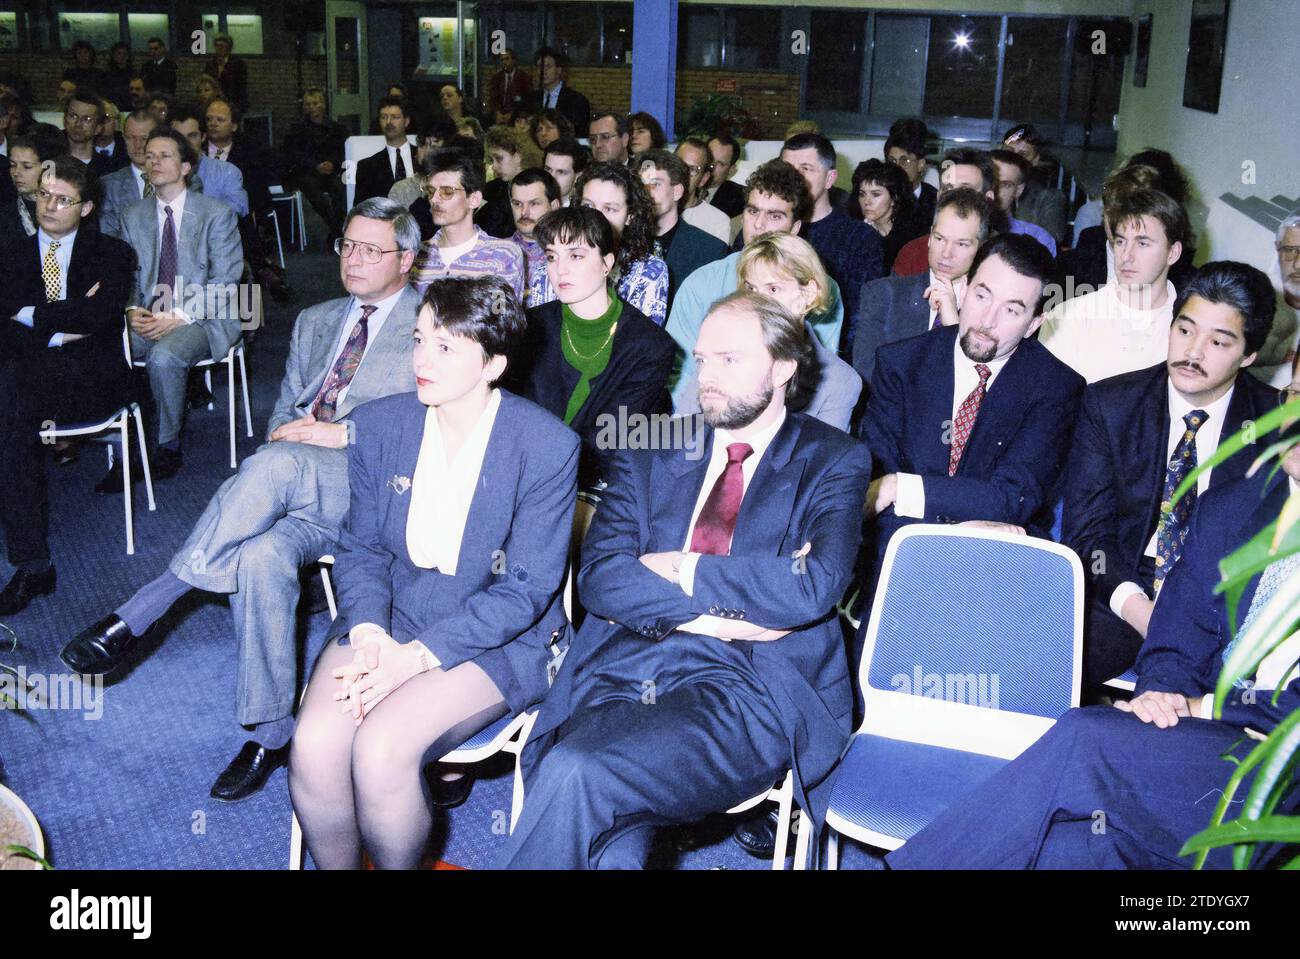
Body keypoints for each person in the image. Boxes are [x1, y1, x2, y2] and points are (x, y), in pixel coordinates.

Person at [62, 198, 425, 800]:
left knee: (275, 464)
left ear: (407, 259)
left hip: (378, 490)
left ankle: (148, 606)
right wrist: (293, 442)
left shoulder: (430, 322)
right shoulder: (316, 319)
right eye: (348, 246)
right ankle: (269, 731)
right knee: (259, 554)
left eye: (372, 249)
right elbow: (283, 412)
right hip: (297, 488)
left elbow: (442, 425)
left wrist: (343, 434)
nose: (354, 260)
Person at [499, 289, 872, 869]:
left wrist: (680, 566)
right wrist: (733, 608)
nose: (708, 378)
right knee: (607, 834)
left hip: (747, 688)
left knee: (574, 770)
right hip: (623, 663)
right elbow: (600, 578)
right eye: (702, 360)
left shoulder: (834, 459)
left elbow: (812, 586)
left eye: (730, 360)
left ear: (783, 368)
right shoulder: (653, 446)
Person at [888, 453, 1300, 870]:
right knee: (1065, 848)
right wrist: (1161, 695)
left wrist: (1203, 707)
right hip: (1211, 753)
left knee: (1086, 741)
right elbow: (1179, 631)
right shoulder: (1240, 503)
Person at [289, 274, 577, 869]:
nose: (422, 359)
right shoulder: (380, 425)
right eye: (419, 339)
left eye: (446, 347)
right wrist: (369, 632)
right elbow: (362, 549)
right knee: (316, 746)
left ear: (493, 362)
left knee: (381, 749)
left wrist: (415, 657)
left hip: (502, 637)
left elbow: (524, 590)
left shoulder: (545, 446)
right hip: (393, 612)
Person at [1063, 262, 1283, 688]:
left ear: (1249, 354)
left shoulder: (1276, 424)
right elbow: (1089, 536)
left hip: (1218, 607)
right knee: (1045, 671)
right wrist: (1141, 610)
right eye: (1185, 331)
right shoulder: (1112, 405)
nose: (1193, 353)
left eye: (1219, 342)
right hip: (1125, 590)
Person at [862, 234, 1085, 570]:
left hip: (997, 564)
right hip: (900, 557)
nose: (987, 321)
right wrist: (946, 537)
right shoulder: (901, 364)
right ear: (962, 289)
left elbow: (1012, 498)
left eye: (1012, 309)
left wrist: (899, 486)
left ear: (1034, 324)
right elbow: (875, 497)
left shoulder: (1056, 387)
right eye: (982, 295)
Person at [0, 158, 135, 615]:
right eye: (43, 195)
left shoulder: (114, 254)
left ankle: (33, 566)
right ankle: (33, 563)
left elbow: (100, 319)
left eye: (63, 199)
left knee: (11, 401)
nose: (50, 206)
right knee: (14, 416)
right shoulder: (10, 255)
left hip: (90, 379)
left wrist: (32, 315)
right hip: (24, 378)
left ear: (87, 207)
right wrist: (67, 318)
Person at [508, 205, 675, 489]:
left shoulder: (650, 346)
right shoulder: (528, 328)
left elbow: (608, 442)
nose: (560, 270)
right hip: (519, 474)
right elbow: (511, 419)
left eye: (576, 256)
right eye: (551, 257)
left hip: (594, 487)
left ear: (607, 263)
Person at [116, 128, 243, 480]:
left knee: (164, 356)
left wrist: (180, 316)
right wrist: (131, 310)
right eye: (150, 155)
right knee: (108, 344)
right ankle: (123, 441)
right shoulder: (133, 215)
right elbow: (122, 276)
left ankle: (165, 445)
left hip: (205, 316)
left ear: (186, 166)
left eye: (165, 156)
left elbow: (226, 282)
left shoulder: (216, 214)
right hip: (148, 314)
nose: (154, 161)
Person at [667, 159, 844, 407]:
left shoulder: (816, 288)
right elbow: (680, 377)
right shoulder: (702, 283)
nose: (759, 225)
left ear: (794, 227)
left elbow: (818, 380)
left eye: (774, 216)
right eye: (753, 211)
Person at [677, 232, 862, 436]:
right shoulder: (717, 354)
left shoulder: (839, 382)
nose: (757, 301)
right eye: (751, 289)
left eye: (773, 289)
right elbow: (679, 435)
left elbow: (822, 463)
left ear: (808, 295)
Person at [1039, 189, 1188, 384]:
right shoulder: (1066, 319)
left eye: (1142, 243)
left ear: (1173, 253)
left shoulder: (1193, 330)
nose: (1126, 256)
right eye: (1120, 242)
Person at [851, 188, 990, 387]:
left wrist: (952, 324)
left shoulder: (990, 310)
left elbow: (976, 384)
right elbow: (868, 374)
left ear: (981, 247)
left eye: (962, 244)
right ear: (930, 235)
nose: (946, 253)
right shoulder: (882, 294)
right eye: (940, 238)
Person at [780, 133, 883, 355]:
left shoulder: (860, 239)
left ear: (830, 178)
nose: (795, 179)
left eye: (806, 169)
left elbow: (861, 321)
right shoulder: (765, 230)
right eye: (788, 169)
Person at [410, 148, 524, 300]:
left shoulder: (502, 256)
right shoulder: (416, 256)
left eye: (447, 192)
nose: (435, 199)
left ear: (474, 199)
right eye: (431, 191)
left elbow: (502, 319)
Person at [575, 161, 669, 326]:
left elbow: (645, 343)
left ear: (630, 216)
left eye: (609, 209)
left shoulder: (649, 272)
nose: (596, 217)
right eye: (588, 206)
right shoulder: (553, 264)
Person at [637, 149, 728, 310]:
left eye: (655, 184)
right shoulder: (624, 242)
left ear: (677, 191)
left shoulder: (710, 251)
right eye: (641, 185)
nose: (647, 193)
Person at [891, 148, 998, 276]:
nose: (954, 197)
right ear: (938, 195)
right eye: (947, 189)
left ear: (988, 199)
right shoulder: (913, 253)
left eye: (965, 190)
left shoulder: (1002, 259)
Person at [284, 88, 349, 245]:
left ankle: (337, 231)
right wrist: (315, 166)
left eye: (316, 103)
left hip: (332, 171)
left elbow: (344, 151)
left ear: (324, 104)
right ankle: (338, 230)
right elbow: (292, 154)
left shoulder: (338, 129)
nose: (312, 107)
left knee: (340, 189)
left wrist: (333, 164)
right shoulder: (296, 129)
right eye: (308, 104)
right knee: (313, 189)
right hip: (307, 172)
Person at [848, 158, 925, 275]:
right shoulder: (854, 231)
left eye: (876, 194)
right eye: (862, 194)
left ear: (894, 198)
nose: (866, 201)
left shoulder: (911, 236)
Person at [170, 105, 249, 218]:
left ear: (203, 137)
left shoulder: (227, 172)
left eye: (192, 136)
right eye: (179, 137)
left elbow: (237, 208)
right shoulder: (160, 170)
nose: (185, 143)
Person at [1001, 122, 1070, 250]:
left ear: (1035, 160)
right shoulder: (984, 188)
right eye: (1009, 152)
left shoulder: (1050, 198)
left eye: (1023, 154)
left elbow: (1050, 242)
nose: (1014, 158)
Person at [98, 109, 159, 239]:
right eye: (131, 138)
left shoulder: (181, 181)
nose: (138, 145)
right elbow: (109, 239)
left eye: (144, 138)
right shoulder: (108, 186)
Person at [508, 167, 561, 308]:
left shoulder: (569, 255)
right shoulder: (498, 254)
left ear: (555, 206)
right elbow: (496, 311)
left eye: (534, 203)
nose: (524, 212)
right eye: (517, 204)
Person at [988, 148, 1057, 256]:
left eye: (1005, 185)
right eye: (990, 181)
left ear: (1019, 190)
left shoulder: (1038, 239)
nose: (994, 191)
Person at [480, 124, 542, 239]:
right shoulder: (490, 190)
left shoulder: (539, 188)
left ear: (518, 156)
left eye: (499, 159)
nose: (493, 166)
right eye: (491, 160)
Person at [353, 96, 413, 205]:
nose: (389, 122)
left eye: (395, 117)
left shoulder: (424, 158)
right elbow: (361, 209)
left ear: (406, 121)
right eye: (384, 117)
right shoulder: (367, 166)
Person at [675, 136, 731, 244]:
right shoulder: (650, 208)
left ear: (703, 179)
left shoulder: (717, 221)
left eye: (692, 170)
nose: (683, 174)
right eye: (679, 165)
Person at [885, 119, 937, 230]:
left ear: (921, 164)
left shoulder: (936, 202)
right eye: (892, 161)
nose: (897, 167)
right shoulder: (877, 195)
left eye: (905, 161)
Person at [532, 47, 590, 136]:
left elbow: (581, 134)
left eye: (548, 66)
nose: (543, 71)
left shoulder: (576, 100)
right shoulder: (531, 99)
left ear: (559, 70)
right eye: (540, 67)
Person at [63, 91, 115, 177]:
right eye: (73, 116)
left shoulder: (108, 169)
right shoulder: (51, 161)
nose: (78, 124)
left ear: (98, 128)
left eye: (87, 119)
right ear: (64, 120)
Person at [204, 33, 248, 113]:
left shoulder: (238, 64)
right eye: (217, 46)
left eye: (222, 46)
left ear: (229, 48)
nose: (219, 49)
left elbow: (240, 86)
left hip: (233, 102)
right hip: (214, 102)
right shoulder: (210, 64)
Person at [487, 48, 533, 125]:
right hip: (499, 115)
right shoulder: (496, 78)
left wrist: (513, 114)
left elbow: (526, 99)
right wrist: (497, 113)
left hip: (517, 114)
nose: (504, 62)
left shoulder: (524, 77)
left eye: (507, 59)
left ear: (514, 61)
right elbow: (493, 98)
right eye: (502, 60)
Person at [705, 132, 744, 218]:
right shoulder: (683, 186)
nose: (711, 166)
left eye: (720, 164)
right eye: (709, 158)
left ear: (731, 170)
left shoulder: (741, 199)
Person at [543, 137, 587, 207]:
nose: (551, 177)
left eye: (561, 172)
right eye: (548, 169)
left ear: (578, 177)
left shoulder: (583, 212)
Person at [92, 100, 129, 174]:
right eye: (96, 118)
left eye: (105, 118)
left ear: (116, 122)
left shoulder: (127, 150)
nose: (100, 123)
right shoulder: (81, 149)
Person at [103, 43, 135, 119]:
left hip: (130, 110)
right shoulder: (107, 74)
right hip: (113, 110)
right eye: (119, 53)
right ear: (113, 55)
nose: (122, 56)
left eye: (124, 54)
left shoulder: (133, 73)